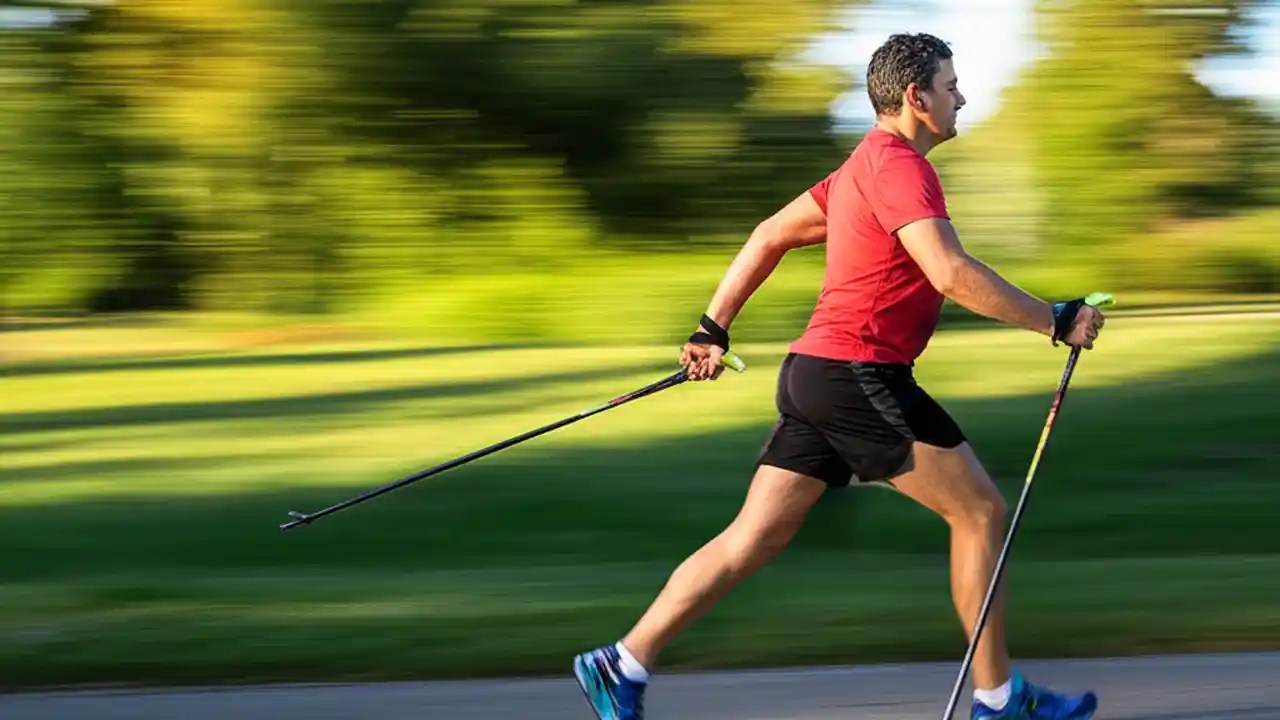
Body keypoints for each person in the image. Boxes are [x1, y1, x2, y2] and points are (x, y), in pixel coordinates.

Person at [572, 32, 1105, 720]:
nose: (962, 98)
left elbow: (768, 233)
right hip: (858, 375)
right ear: (915, 97)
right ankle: (1000, 700)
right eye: (950, 86)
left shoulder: (860, 169)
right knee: (979, 511)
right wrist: (1053, 319)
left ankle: (622, 663)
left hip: (816, 376)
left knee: (754, 538)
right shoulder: (900, 168)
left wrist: (712, 328)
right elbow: (949, 272)